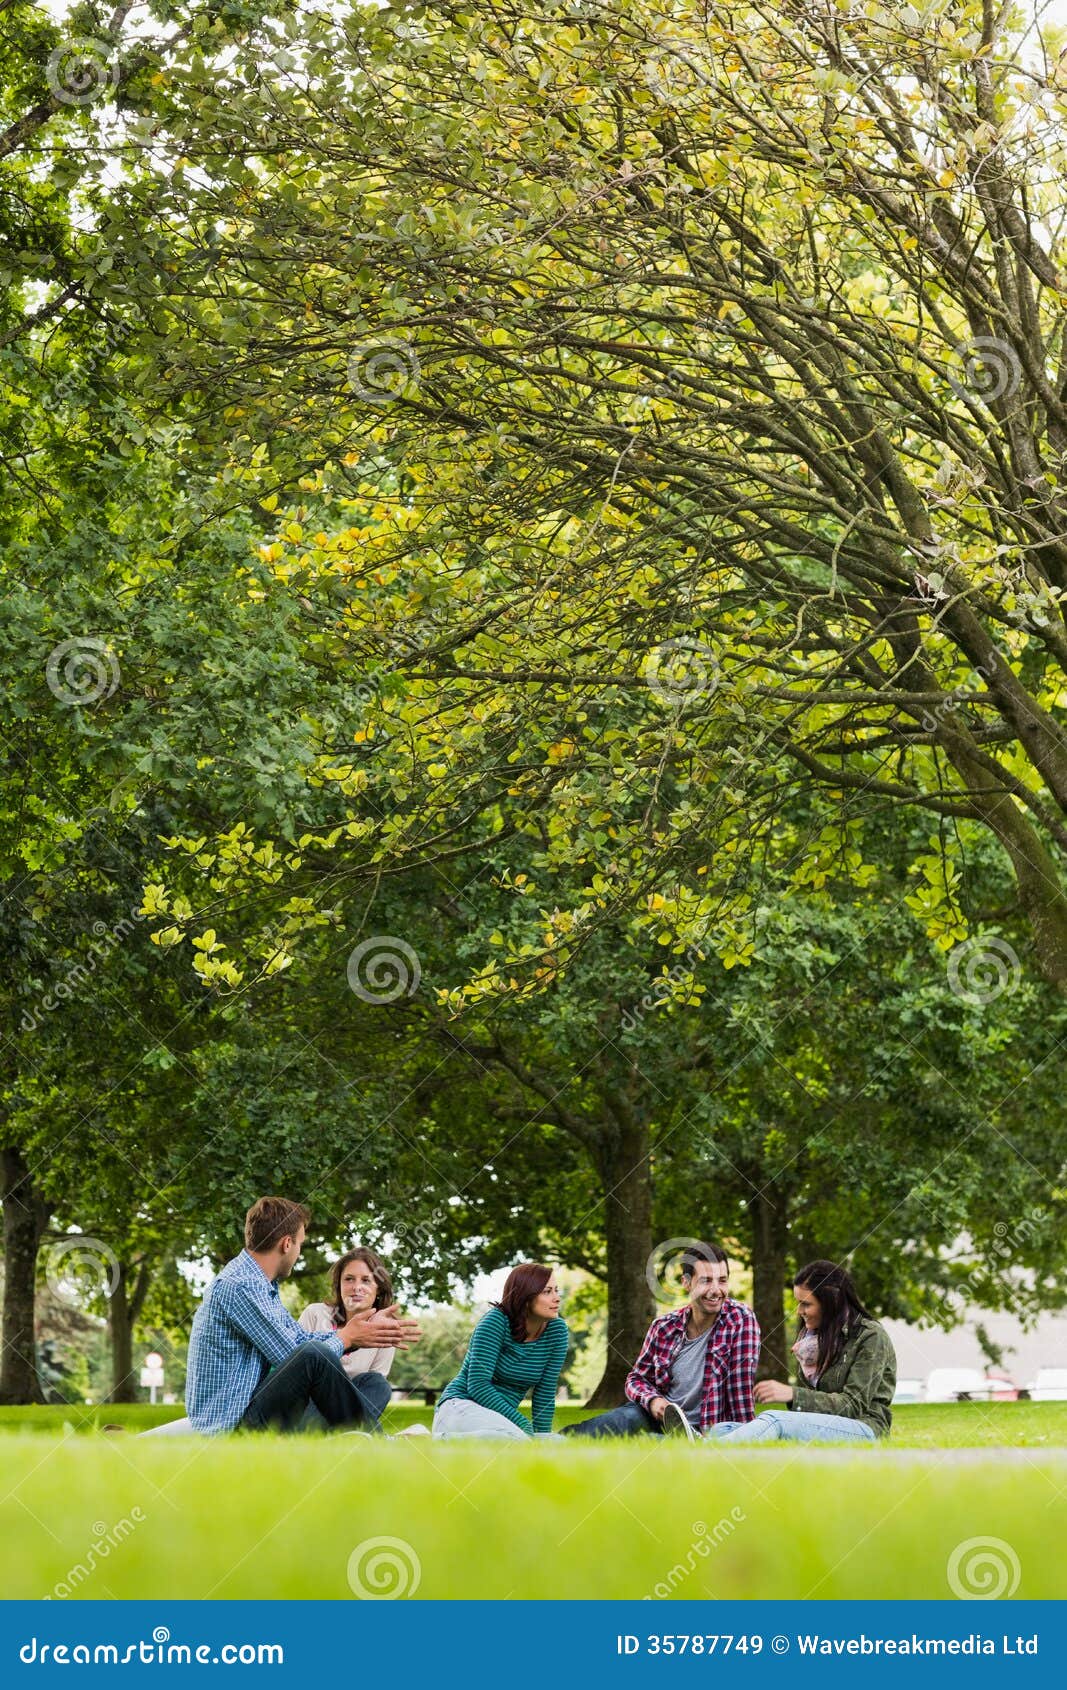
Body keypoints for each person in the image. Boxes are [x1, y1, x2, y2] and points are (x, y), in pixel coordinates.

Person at [185, 1196, 420, 1434]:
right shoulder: (240, 1286)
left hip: (254, 1409)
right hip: (232, 1426)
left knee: (370, 1382)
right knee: (314, 1355)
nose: (298, 1253)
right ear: (287, 1244)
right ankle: (374, 1441)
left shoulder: (260, 1285)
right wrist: (347, 1337)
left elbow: (299, 1340)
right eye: (300, 1244)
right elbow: (292, 1356)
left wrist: (356, 1335)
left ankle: (356, 1437)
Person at [562, 1243, 759, 1439]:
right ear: (686, 1282)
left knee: (644, 1441)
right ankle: (556, 1439)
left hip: (708, 1429)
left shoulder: (740, 1319)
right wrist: (654, 1401)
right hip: (660, 1421)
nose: (716, 1290)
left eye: (722, 1281)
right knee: (625, 1418)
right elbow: (636, 1379)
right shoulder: (664, 1327)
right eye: (706, 1281)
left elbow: (739, 1388)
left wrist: (745, 1436)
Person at [711, 1258, 896, 1445]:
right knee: (722, 1428)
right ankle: (710, 1446)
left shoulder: (871, 1336)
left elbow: (852, 1405)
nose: (799, 1311)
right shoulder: (813, 1339)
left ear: (831, 1302)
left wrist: (793, 1394)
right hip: (829, 1426)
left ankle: (705, 1448)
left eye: (806, 1304)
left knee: (774, 1420)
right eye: (798, 1303)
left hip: (865, 1427)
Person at [432, 1264, 568, 1439]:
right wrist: (523, 1425)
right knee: (515, 1438)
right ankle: (434, 1439)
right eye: (547, 1292)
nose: (557, 1298)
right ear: (525, 1296)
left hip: (498, 1419)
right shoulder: (495, 1322)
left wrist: (541, 1436)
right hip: (460, 1406)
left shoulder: (557, 1330)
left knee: (556, 1441)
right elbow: (478, 1385)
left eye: (556, 1291)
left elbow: (545, 1391)